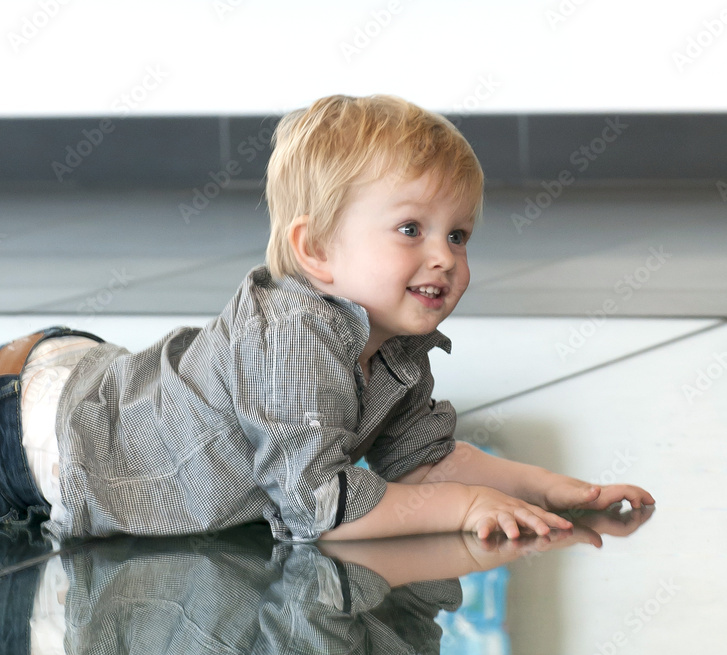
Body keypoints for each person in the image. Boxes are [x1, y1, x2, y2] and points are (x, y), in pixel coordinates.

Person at [0, 94, 654, 542]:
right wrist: (463, 509)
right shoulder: (296, 334)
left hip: (92, 379)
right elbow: (316, 508)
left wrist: (550, 489)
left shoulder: (392, 344)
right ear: (315, 250)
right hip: (47, 437)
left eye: (458, 236)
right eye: (410, 229)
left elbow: (423, 463)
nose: (444, 258)